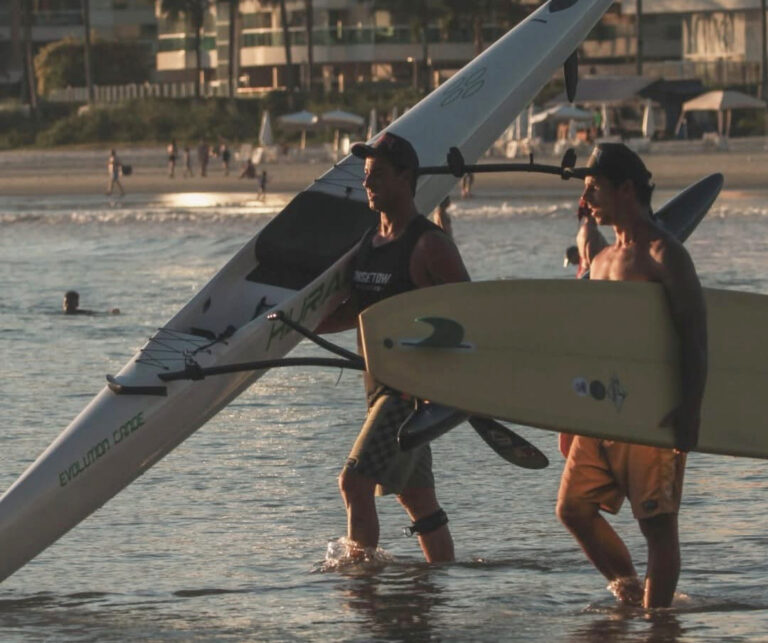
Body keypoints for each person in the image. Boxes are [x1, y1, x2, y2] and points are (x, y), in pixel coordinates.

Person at [556, 143, 708, 609]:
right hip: (603, 412)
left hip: (652, 416)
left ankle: (658, 623)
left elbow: (695, 336)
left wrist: (690, 412)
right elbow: (592, 344)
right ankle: (632, 593)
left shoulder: (666, 255)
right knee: (573, 510)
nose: (587, 199)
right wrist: (569, 416)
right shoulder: (600, 261)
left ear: (626, 189)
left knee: (658, 527)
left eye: (594, 189)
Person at [317, 132, 470, 563]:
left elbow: (471, 316)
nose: (368, 184)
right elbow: (356, 311)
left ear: (406, 178)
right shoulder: (370, 244)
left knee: (354, 483)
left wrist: (457, 390)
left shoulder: (429, 245)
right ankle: (442, 580)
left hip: (408, 394)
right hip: (377, 388)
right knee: (417, 497)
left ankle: (362, 585)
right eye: (366, 177)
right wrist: (297, 326)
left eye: (378, 176)